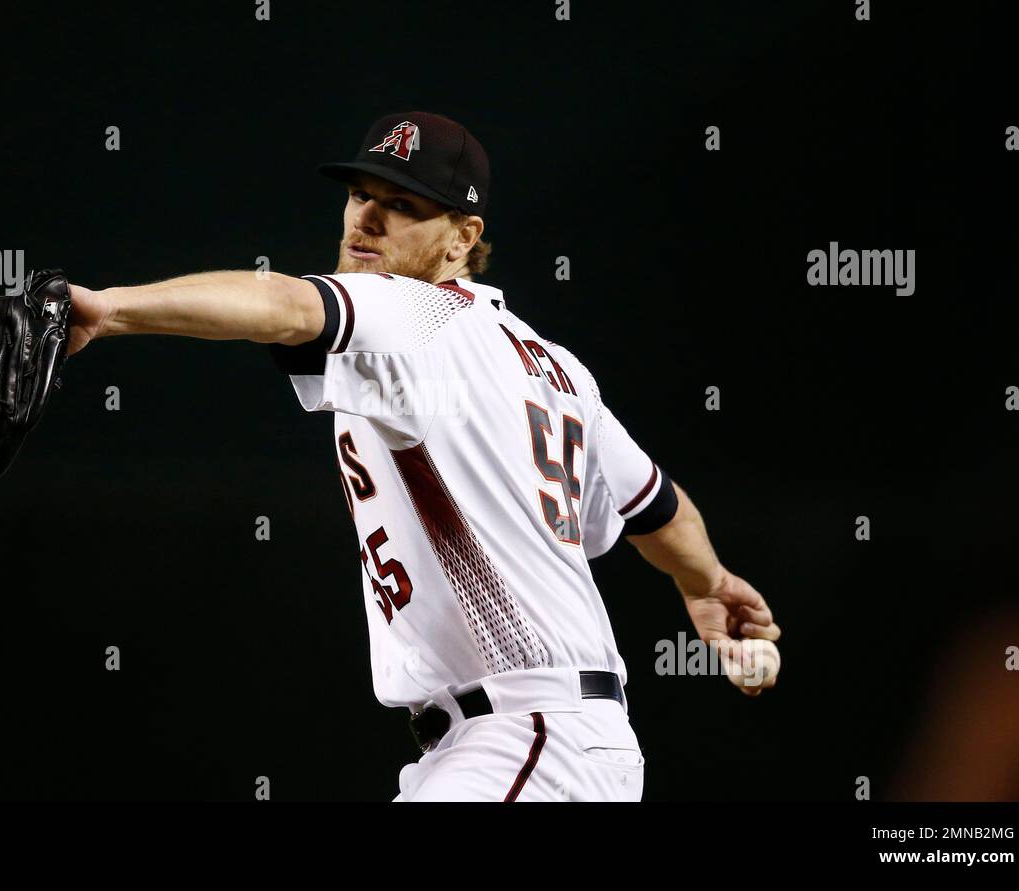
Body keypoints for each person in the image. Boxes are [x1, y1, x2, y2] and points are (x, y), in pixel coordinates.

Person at [65, 112, 781, 801]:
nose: (365, 219)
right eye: (359, 194)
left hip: (531, 736)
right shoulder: (557, 367)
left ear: (461, 238)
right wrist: (708, 582)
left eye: (403, 204)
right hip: (532, 744)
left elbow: (282, 304)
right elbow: (658, 506)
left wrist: (107, 309)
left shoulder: (415, 314)